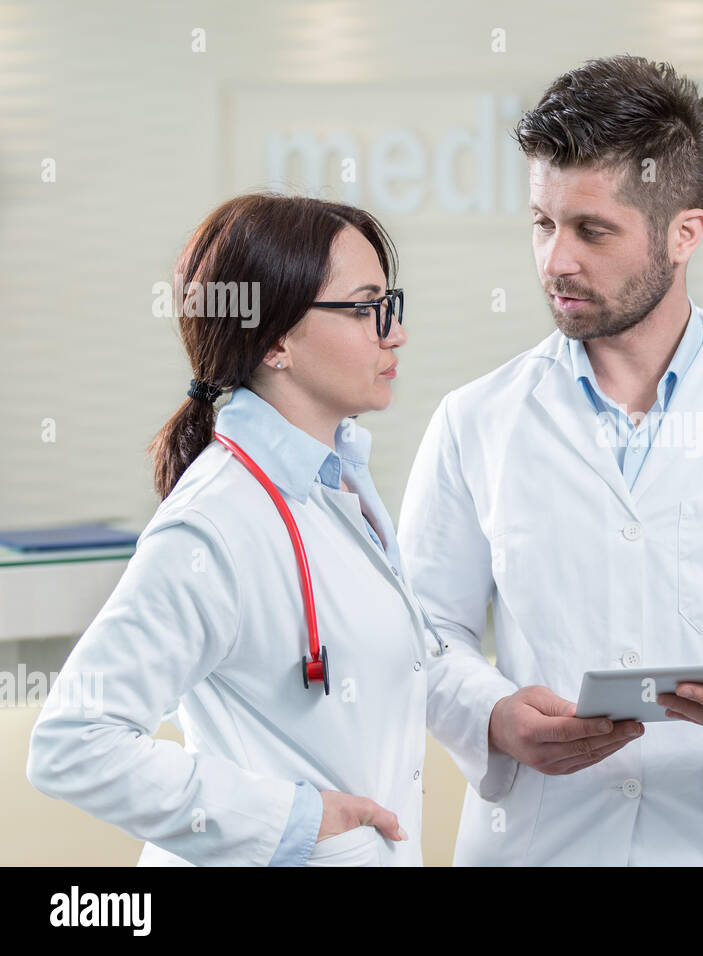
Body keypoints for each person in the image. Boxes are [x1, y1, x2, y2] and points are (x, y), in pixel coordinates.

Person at [398, 55, 703, 865]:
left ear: (684, 232)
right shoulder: (473, 421)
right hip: (548, 840)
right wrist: (490, 714)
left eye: (593, 230)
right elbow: (422, 629)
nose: (556, 260)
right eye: (541, 223)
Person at [27, 193, 438, 866]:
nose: (394, 333)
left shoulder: (338, 478)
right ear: (276, 340)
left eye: (389, 304)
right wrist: (294, 820)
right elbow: (73, 742)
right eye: (364, 308)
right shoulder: (213, 522)